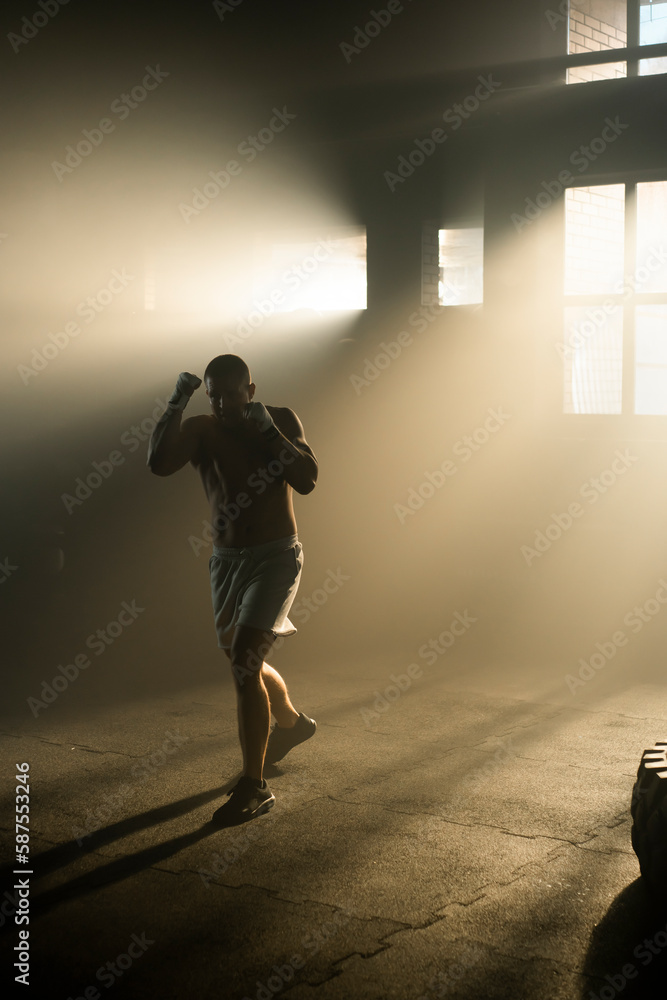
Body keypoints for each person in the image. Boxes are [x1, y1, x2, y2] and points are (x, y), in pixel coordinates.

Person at [147, 354, 318, 824]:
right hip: (226, 563)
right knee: (245, 661)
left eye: (231, 393)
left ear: (251, 389)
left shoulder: (280, 419)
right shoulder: (202, 428)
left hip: (276, 556)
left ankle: (253, 786)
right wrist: (175, 402)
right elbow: (158, 463)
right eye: (212, 394)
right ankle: (291, 723)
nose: (222, 403)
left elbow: (306, 479)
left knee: (244, 660)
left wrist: (268, 430)